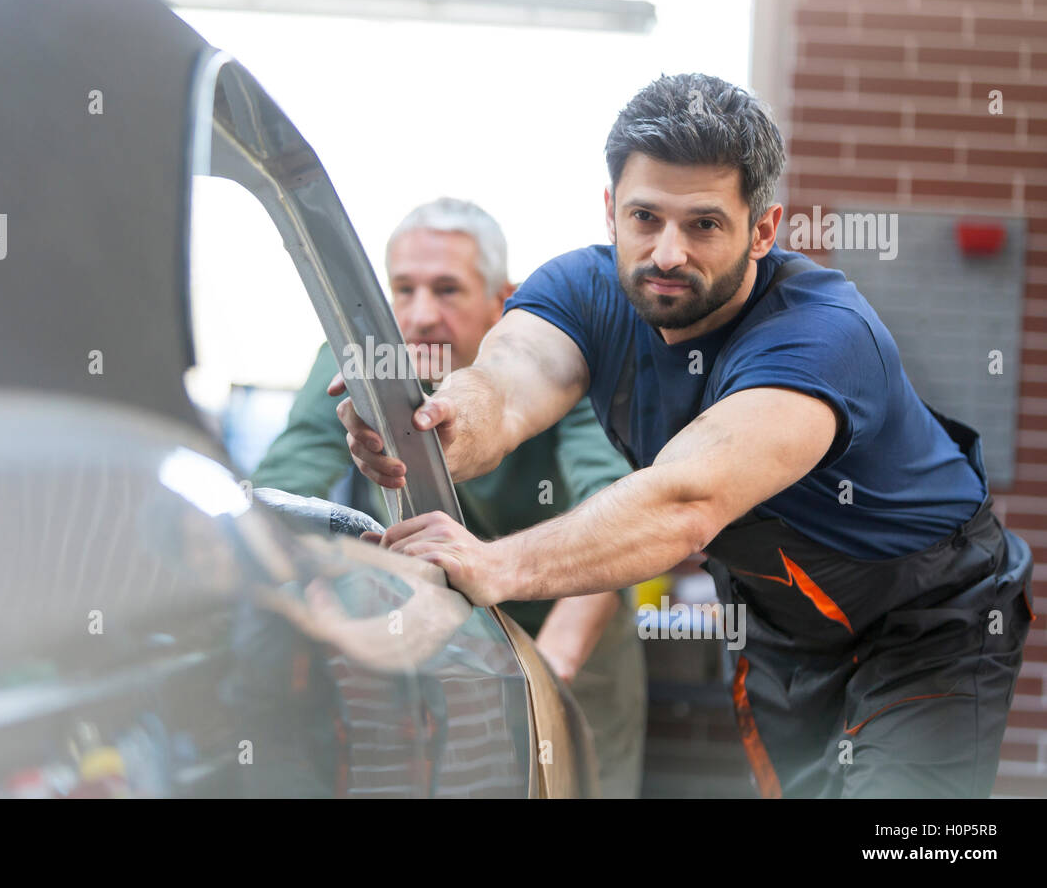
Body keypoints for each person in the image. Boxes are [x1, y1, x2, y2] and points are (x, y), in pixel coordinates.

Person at [335, 75, 1036, 799]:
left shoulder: (822, 336)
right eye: (645, 217)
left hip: (931, 621)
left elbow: (684, 502)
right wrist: (434, 427)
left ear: (762, 230)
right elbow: (506, 385)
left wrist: (499, 566)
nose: (667, 252)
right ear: (611, 212)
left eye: (703, 224)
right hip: (782, 622)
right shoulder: (582, 290)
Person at [254, 197, 646, 797]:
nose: (420, 315)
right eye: (403, 290)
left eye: (447, 290)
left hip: (563, 638)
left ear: (502, 301)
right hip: (405, 637)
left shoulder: (565, 367)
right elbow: (284, 494)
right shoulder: (348, 365)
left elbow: (615, 513)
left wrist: (546, 682)